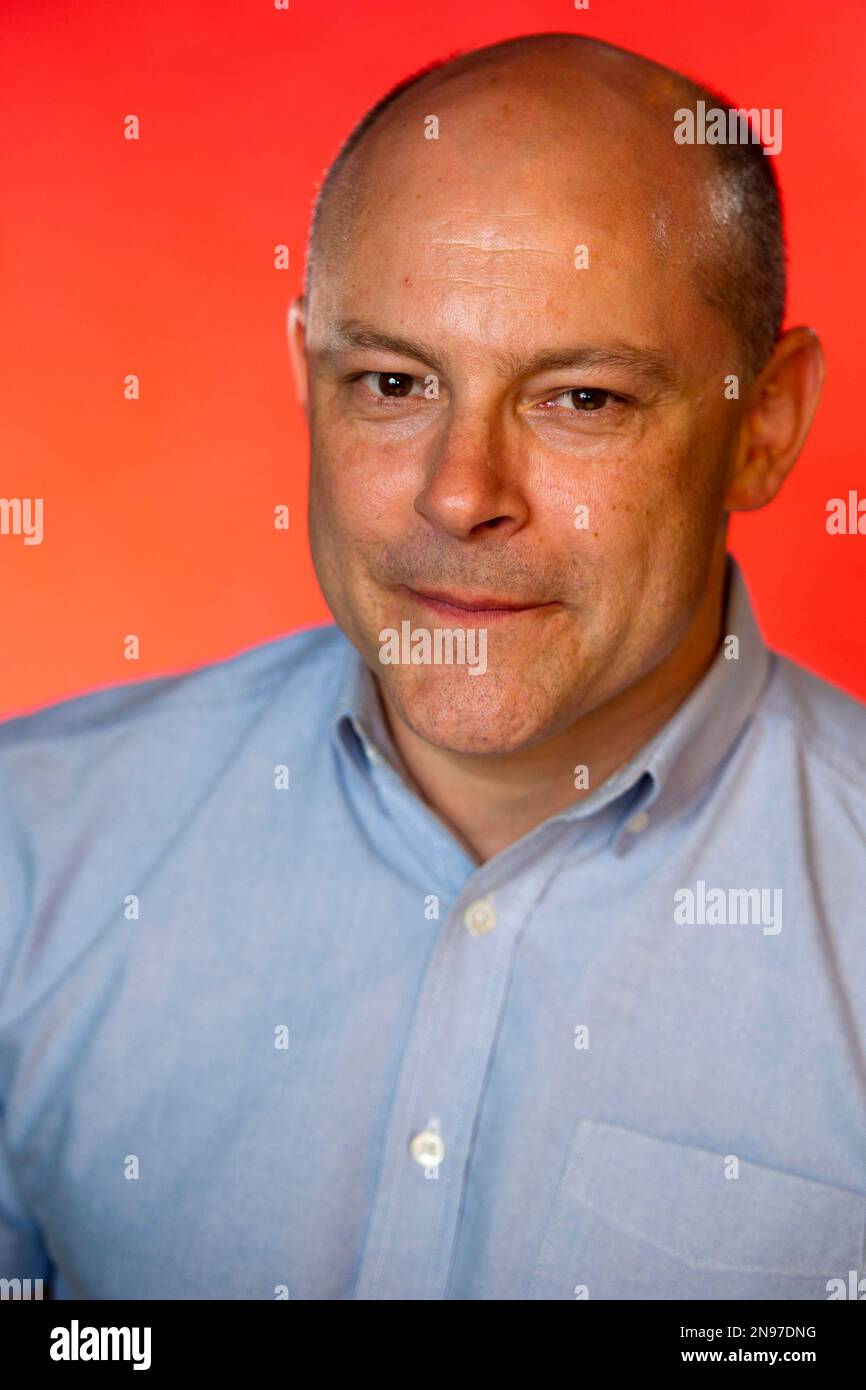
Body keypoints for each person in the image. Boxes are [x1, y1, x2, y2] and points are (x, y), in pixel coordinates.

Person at [1, 32, 864, 1302]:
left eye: (582, 399)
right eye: (393, 381)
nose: (459, 495)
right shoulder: (33, 842)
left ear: (765, 424)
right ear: (307, 378)